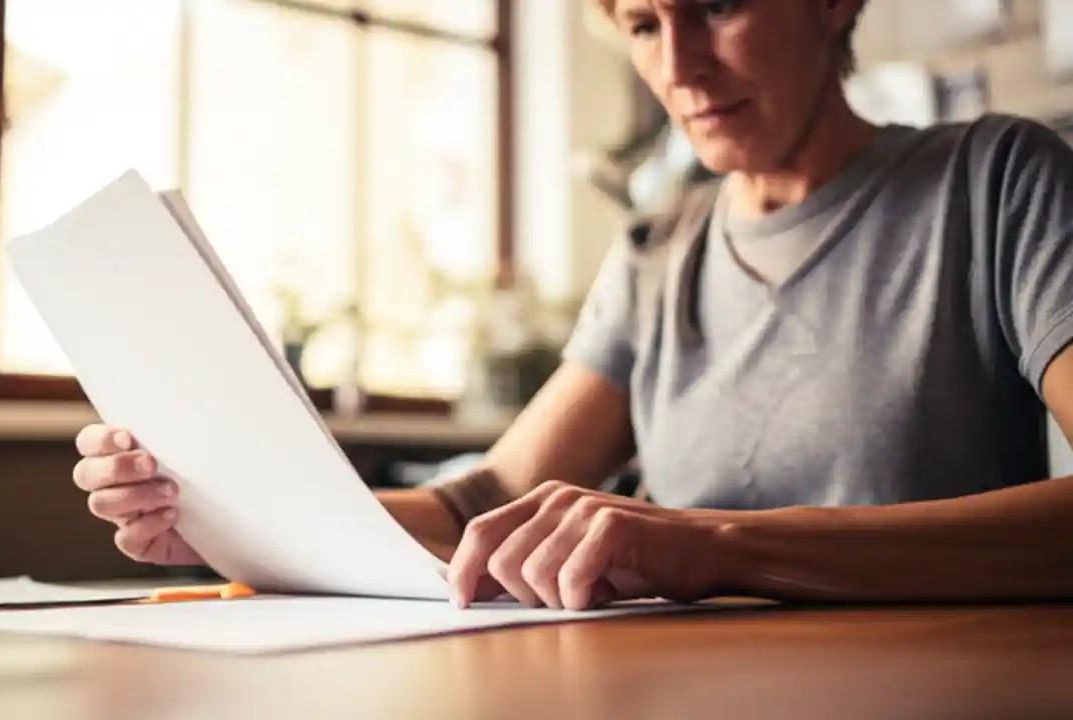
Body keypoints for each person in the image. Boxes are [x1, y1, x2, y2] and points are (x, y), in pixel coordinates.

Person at [71, 0, 1073, 610]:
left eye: (713, 5)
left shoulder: (992, 182)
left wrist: (709, 545)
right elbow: (485, 502)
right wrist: (239, 520)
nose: (675, 67)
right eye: (642, 23)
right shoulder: (654, 250)